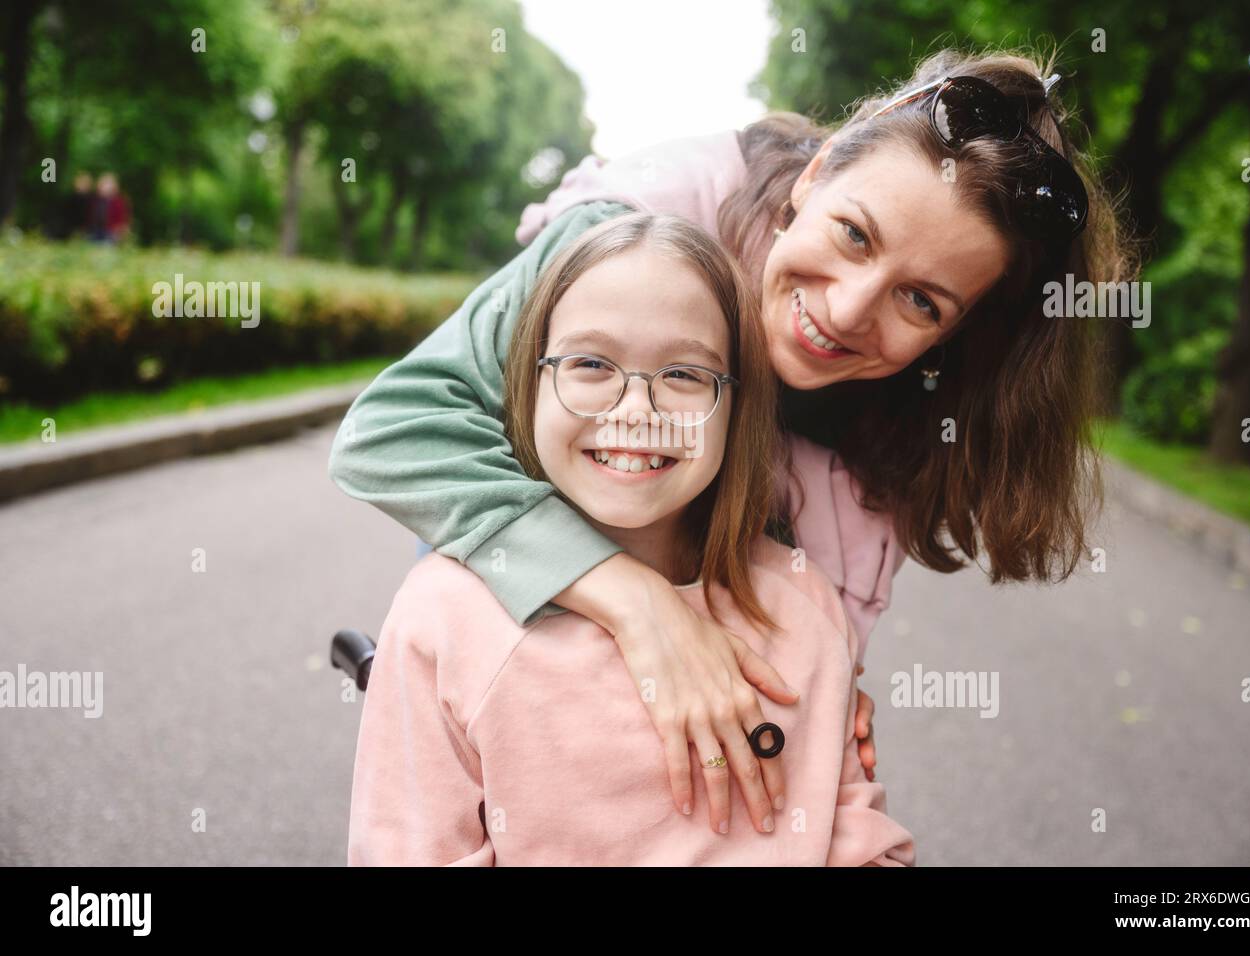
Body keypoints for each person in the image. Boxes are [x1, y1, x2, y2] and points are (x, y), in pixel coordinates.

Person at [329, 48, 1135, 833]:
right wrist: (637, 604)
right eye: (855, 235)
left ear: (958, 334)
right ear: (813, 179)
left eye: (920, 302)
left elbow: (802, 682)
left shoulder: (896, 445)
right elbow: (394, 429)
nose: (851, 310)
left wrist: (822, 710)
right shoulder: (629, 235)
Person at [347, 213, 916, 865]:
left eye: (684, 376)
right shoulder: (444, 618)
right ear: (528, 382)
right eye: (590, 363)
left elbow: (858, 837)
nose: (637, 411)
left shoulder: (801, 599)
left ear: (737, 405)